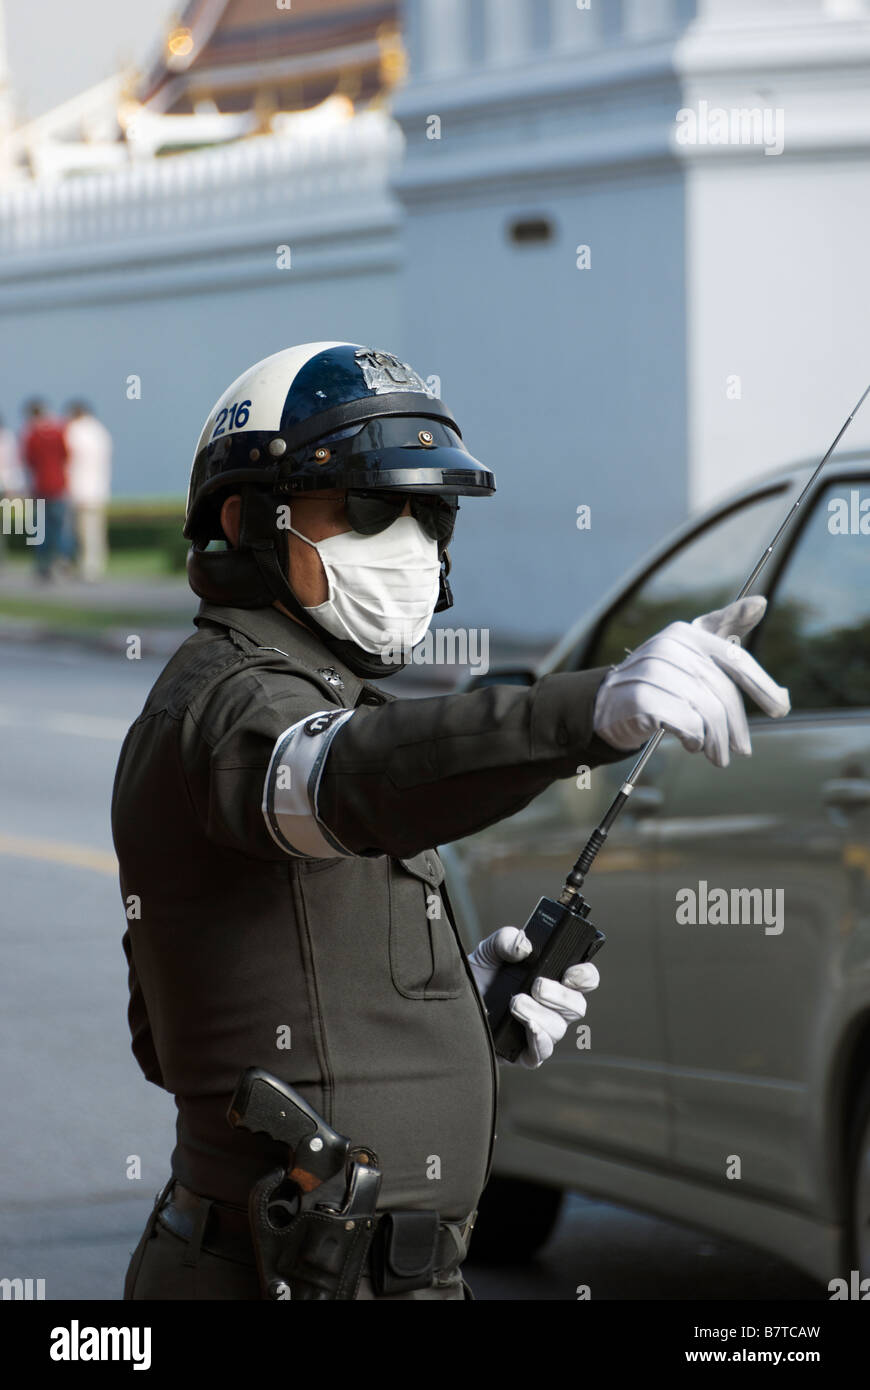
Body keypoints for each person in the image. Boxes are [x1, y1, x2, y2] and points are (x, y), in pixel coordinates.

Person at [112, 342, 790, 1301]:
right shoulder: (223, 709)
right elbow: (348, 781)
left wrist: (446, 1012)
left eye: (432, 515)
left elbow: (199, 1020)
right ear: (245, 522)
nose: (414, 545)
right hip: (281, 1274)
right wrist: (585, 712)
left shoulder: (321, 696)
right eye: (367, 508)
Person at [19, 399, 73, 581]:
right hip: (58, 485)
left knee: (41, 529)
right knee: (58, 527)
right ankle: (61, 559)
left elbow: (28, 460)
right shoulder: (59, 432)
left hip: (41, 487)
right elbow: (66, 455)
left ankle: (44, 564)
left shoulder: (32, 435)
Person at [64, 401, 112, 582]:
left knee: (81, 532)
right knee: (95, 531)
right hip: (98, 490)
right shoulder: (100, 432)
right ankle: (94, 565)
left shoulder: (74, 432)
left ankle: (86, 567)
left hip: (79, 490)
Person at [0, 414, 25, 566]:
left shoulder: (8, 439)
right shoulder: (8, 438)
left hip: (4, 485)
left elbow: (13, 463)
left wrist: (13, 486)